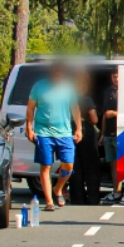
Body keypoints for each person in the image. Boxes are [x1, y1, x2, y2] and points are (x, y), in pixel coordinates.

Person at [25, 62, 81, 210]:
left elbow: (75, 109)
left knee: (68, 166)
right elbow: (30, 108)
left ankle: (58, 188)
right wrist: (29, 128)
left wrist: (79, 129)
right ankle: (49, 201)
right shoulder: (39, 86)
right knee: (46, 167)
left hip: (65, 132)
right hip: (43, 132)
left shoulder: (69, 87)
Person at [101, 68, 124, 205]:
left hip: (123, 133)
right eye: (113, 77)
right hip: (109, 134)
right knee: (113, 165)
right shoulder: (108, 91)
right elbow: (105, 114)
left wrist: (115, 114)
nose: (116, 79)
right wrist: (102, 134)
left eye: (118, 77)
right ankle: (116, 191)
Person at [69, 71, 101, 206]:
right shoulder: (87, 100)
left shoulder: (69, 98)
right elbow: (94, 119)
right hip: (86, 131)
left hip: (70, 130)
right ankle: (93, 198)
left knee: (75, 166)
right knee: (91, 166)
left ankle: (77, 198)